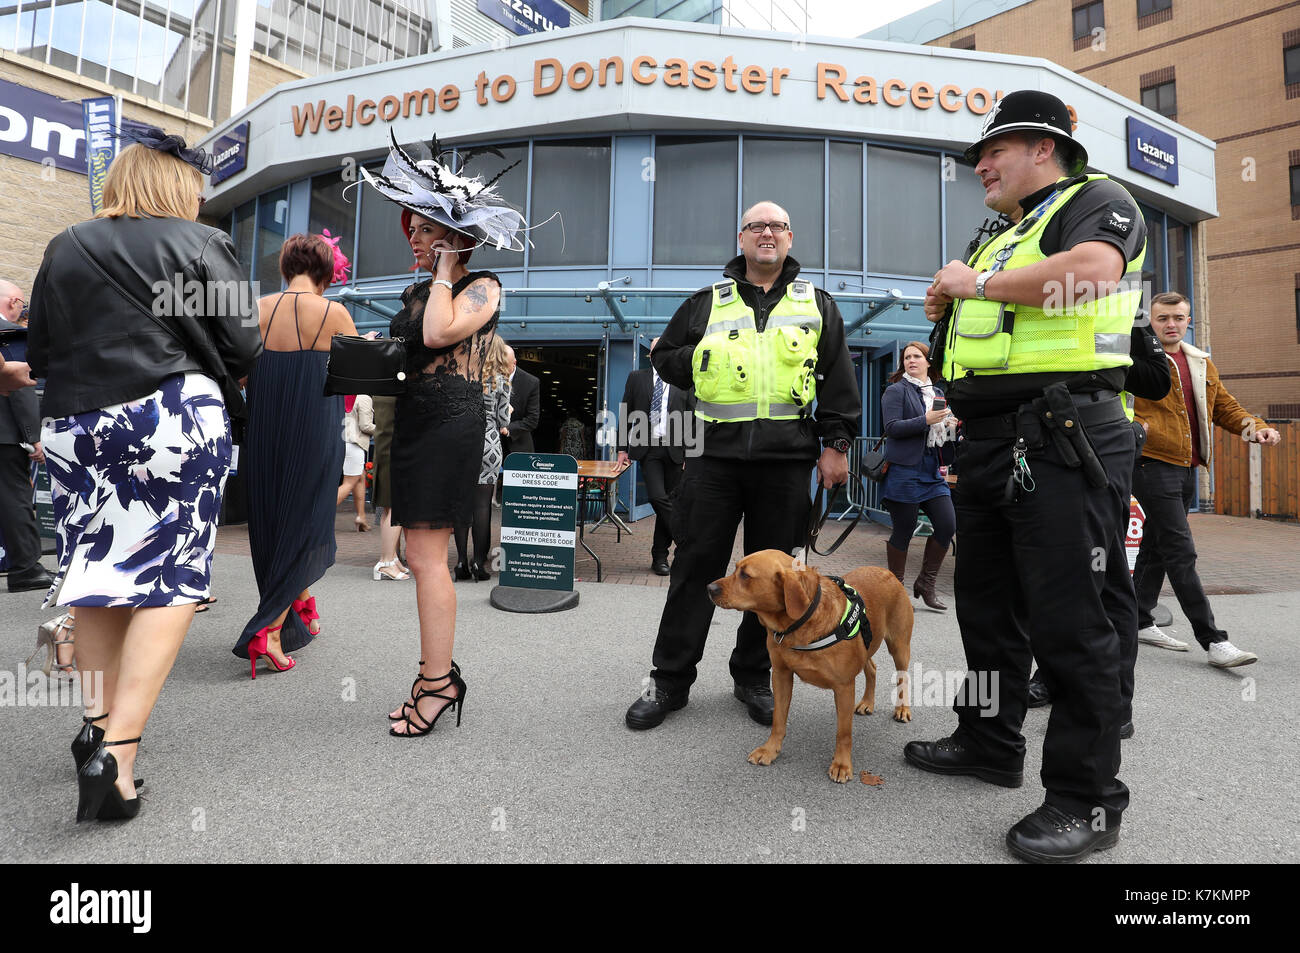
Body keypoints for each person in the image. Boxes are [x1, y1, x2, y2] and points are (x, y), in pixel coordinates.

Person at [910, 90, 1148, 862]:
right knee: (985, 611)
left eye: (993, 150)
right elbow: (983, 326)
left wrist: (971, 286)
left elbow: (1089, 277)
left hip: (1061, 434)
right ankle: (989, 742)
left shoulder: (1097, 201)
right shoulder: (1001, 237)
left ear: (1042, 147)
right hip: (988, 445)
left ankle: (1086, 802)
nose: (979, 164)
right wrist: (945, 307)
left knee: (1073, 624)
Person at [27, 128, 261, 822]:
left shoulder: (65, 244)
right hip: (171, 414)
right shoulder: (196, 244)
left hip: (76, 421)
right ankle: (118, 754)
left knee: (96, 578)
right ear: (174, 186)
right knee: (173, 580)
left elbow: (40, 347)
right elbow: (244, 340)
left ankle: (98, 729)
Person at [624, 199, 860, 730]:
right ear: (742, 238)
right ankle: (669, 680)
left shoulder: (817, 303)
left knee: (773, 582)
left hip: (785, 462)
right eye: (757, 226)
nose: (767, 233)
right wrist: (700, 355)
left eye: (778, 225)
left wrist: (836, 445)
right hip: (713, 461)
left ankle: (754, 676)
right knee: (695, 568)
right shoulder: (707, 302)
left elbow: (839, 381)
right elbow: (663, 357)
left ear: (790, 238)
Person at [360, 131, 527, 737]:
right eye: (412, 226)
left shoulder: (482, 286)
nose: (413, 235)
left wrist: (446, 271)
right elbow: (408, 351)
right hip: (412, 421)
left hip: (452, 421)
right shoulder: (416, 290)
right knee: (419, 554)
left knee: (429, 558)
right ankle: (435, 676)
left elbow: (436, 334)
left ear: (455, 237)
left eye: (426, 228)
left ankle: (437, 685)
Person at [1026, 317, 1171, 724]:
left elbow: (1157, 381)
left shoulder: (1125, 311)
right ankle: (1053, 678)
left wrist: (1091, 366)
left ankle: (1115, 701)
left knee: (1105, 579)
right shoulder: (1049, 300)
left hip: (1103, 449)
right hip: (1049, 445)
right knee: (1056, 577)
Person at [1130, 291, 1279, 667]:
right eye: (1163, 318)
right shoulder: (1139, 360)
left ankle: (1138, 619)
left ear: (1188, 320)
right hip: (1150, 462)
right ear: (1152, 321)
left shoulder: (1199, 361)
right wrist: (1137, 430)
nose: (1171, 324)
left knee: (1158, 545)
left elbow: (1223, 407)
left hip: (1186, 465)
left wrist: (1255, 427)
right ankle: (1213, 641)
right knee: (1181, 550)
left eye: (1179, 318)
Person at [235, 232, 357, 676]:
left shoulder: (255, 310)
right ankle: (267, 631)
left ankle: (298, 599)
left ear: (286, 266)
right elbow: (351, 381)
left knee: (272, 518)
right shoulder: (335, 312)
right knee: (309, 517)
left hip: (264, 430)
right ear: (327, 271)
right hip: (314, 428)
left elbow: (239, 376)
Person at [880, 340, 957, 609]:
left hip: (932, 469)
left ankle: (926, 583)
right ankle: (895, 593)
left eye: (917, 356)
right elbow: (892, 428)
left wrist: (951, 428)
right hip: (904, 470)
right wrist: (926, 420)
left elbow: (942, 433)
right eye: (907, 357)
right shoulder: (895, 391)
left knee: (947, 525)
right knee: (904, 529)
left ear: (928, 361)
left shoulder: (937, 392)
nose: (911, 361)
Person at [616, 338, 692, 576]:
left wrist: (691, 452)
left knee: (667, 503)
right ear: (650, 355)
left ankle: (660, 558)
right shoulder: (636, 377)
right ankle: (685, 539)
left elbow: (692, 417)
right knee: (659, 498)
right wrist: (622, 448)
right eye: (654, 351)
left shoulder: (685, 381)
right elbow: (625, 411)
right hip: (647, 448)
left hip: (676, 450)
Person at [0, 300, 53, 592]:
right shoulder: (9, 334)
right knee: (15, 499)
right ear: (12, 303)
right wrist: (34, 437)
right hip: (5, 433)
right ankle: (26, 568)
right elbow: (20, 387)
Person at [454, 333, 510, 581]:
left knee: (461, 503)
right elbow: (503, 421)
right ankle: (479, 563)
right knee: (482, 505)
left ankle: (460, 562)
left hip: (463, 442)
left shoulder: (464, 377)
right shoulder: (501, 381)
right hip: (489, 444)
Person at [370, 394, 410, 581]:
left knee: (389, 509)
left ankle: (391, 559)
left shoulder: (382, 391)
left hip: (387, 452)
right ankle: (385, 562)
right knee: (394, 509)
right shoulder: (392, 394)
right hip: (394, 454)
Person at [338, 393, 375, 532]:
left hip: (340, 442)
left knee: (360, 477)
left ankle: (361, 517)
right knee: (349, 482)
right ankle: (320, 515)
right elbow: (365, 426)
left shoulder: (340, 395)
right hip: (354, 444)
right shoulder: (364, 398)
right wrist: (385, 431)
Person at [504, 344, 540, 454]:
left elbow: (532, 419)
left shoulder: (531, 382)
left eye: (504, 366)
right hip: (488, 447)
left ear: (514, 363)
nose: (499, 370)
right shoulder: (486, 377)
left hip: (519, 448)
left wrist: (507, 429)